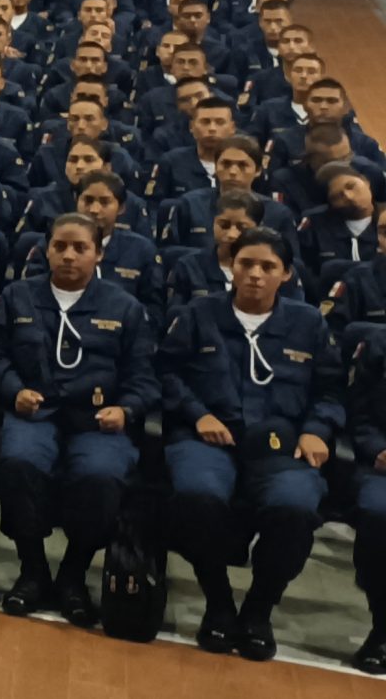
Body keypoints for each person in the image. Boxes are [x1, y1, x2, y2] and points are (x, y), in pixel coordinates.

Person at [159, 227, 339, 660]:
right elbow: (165, 373)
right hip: (207, 436)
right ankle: (218, 605)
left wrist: (318, 428)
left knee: (295, 507)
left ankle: (258, 610)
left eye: (267, 267)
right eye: (246, 264)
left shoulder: (308, 323)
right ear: (231, 269)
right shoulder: (198, 314)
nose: (255, 274)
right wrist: (197, 413)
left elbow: (330, 390)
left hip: (280, 444)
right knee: (197, 495)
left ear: (287, 274)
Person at [0, 213, 155, 625]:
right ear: (46, 249)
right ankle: (33, 570)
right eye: (60, 246)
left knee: (102, 474)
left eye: (80, 248)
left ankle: (73, 573)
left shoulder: (125, 307)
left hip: (96, 419)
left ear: (99, 253)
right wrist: (12, 389)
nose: (68, 255)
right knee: (19, 461)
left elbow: (144, 376)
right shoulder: (17, 296)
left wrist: (127, 408)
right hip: (34, 411)